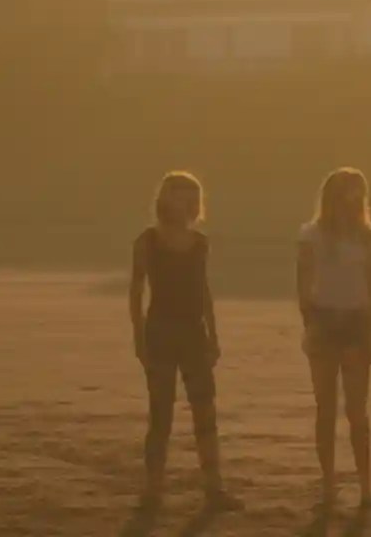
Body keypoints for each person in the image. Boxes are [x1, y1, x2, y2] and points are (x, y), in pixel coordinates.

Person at [128, 172, 243, 517]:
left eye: (189, 195)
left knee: (205, 413)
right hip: (161, 332)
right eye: (177, 194)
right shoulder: (147, 242)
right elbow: (136, 291)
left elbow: (203, 290)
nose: (182, 202)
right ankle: (153, 491)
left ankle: (214, 488)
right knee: (160, 415)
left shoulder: (200, 243)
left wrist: (214, 335)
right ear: (165, 199)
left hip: (194, 333)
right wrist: (138, 337)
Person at [297, 168, 371, 511]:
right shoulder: (312, 234)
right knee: (326, 408)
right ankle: (329, 485)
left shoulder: (366, 234)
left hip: (357, 322)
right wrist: (311, 324)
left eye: (358, 191)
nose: (353, 198)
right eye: (347, 191)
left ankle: (365, 487)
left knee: (357, 411)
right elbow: (303, 285)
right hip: (325, 320)